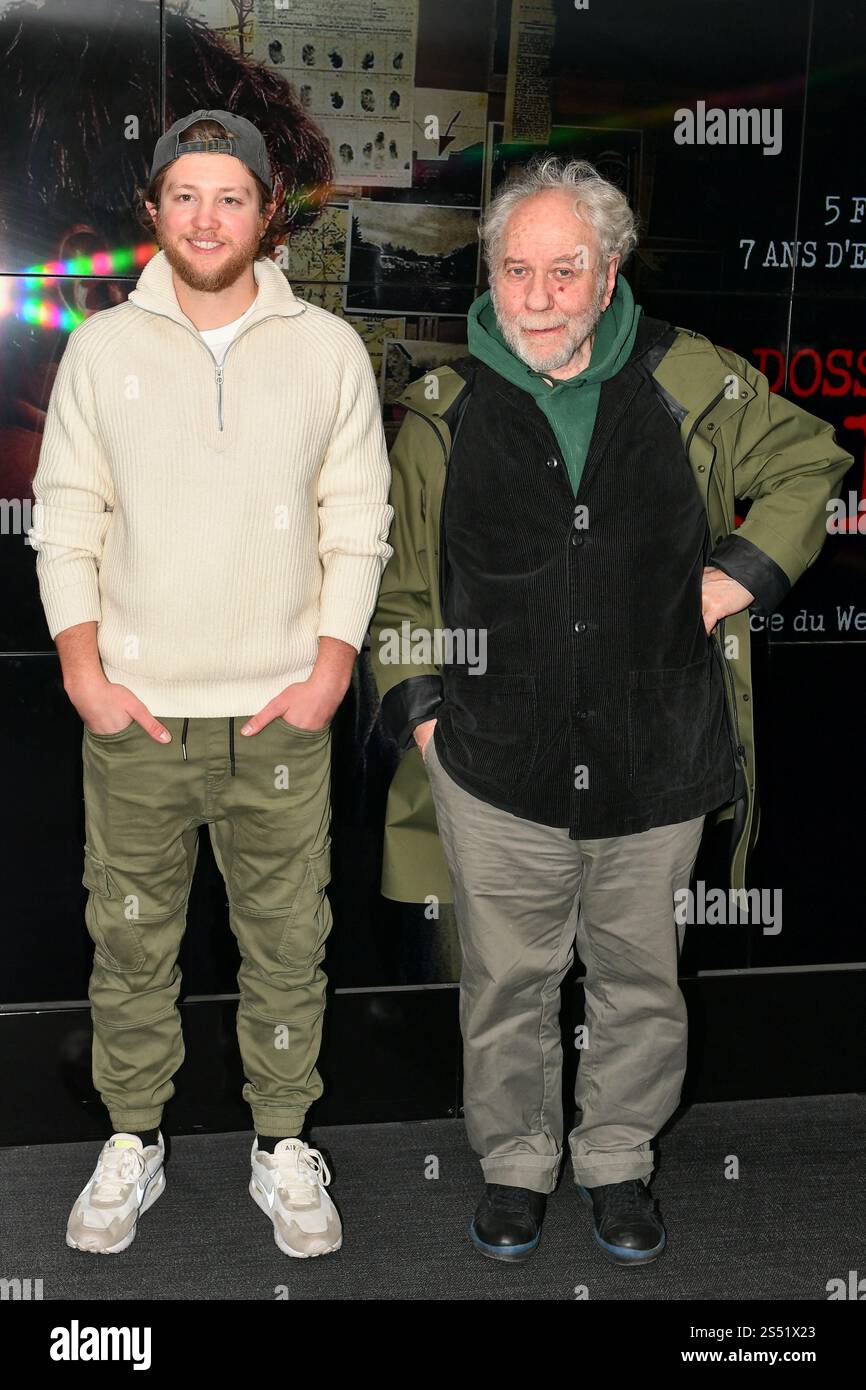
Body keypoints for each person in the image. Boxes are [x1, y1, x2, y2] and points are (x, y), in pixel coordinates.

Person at [369, 155, 852, 1266]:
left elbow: (809, 459)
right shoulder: (440, 413)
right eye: (514, 267)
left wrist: (737, 573)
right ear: (488, 272)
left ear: (607, 270)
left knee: (638, 979)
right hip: (493, 766)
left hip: (657, 759)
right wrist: (429, 718)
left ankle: (616, 1158)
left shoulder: (691, 379)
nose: (535, 294)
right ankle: (514, 1164)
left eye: (563, 269)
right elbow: (399, 587)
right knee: (505, 986)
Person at [29, 110, 393, 1257]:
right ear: (154, 209)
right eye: (184, 195)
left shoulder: (328, 350)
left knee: (286, 942)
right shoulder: (101, 347)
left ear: (265, 211)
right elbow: (67, 520)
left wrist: (329, 670)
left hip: (279, 714)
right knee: (129, 942)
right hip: (134, 712)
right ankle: (132, 1140)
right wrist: (85, 671)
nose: (205, 218)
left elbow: (358, 526)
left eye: (228, 196)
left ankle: (282, 1144)